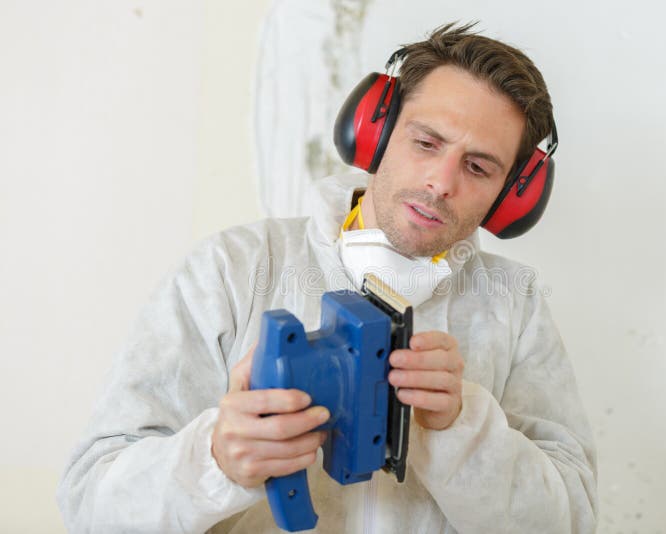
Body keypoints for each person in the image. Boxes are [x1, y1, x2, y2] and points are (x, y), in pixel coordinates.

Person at [58, 23, 597, 533]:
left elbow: (569, 520)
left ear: (510, 198)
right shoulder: (232, 269)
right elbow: (90, 503)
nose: (441, 182)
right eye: (426, 142)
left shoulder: (515, 305)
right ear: (374, 133)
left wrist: (460, 426)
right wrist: (215, 460)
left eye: (478, 167)